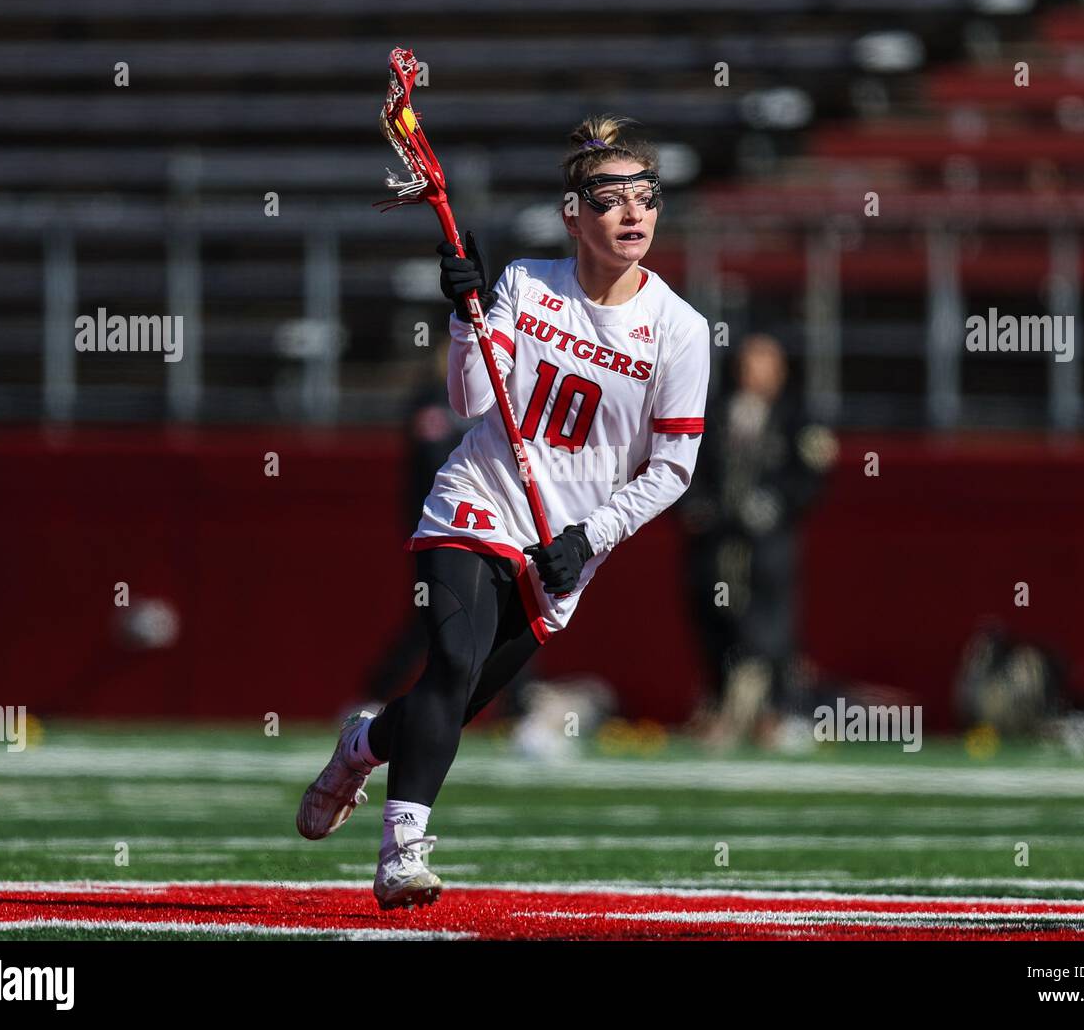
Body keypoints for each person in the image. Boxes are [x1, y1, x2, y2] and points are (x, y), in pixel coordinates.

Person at [296, 115, 711, 910]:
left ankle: (361, 744)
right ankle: (400, 852)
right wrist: (466, 319)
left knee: (449, 705)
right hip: (479, 500)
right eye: (609, 197)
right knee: (452, 663)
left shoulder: (681, 331)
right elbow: (470, 398)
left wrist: (590, 535)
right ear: (573, 213)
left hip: (566, 545)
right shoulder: (527, 284)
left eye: (645, 197)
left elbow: (674, 469)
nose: (631, 213)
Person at [679, 333, 836, 750]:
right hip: (716, 544)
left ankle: (775, 712)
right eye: (750, 364)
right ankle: (718, 707)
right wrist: (699, 506)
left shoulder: (797, 417)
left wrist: (777, 504)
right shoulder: (714, 411)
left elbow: (812, 472)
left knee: (772, 627)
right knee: (715, 618)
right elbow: (683, 463)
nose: (756, 374)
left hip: (769, 545)